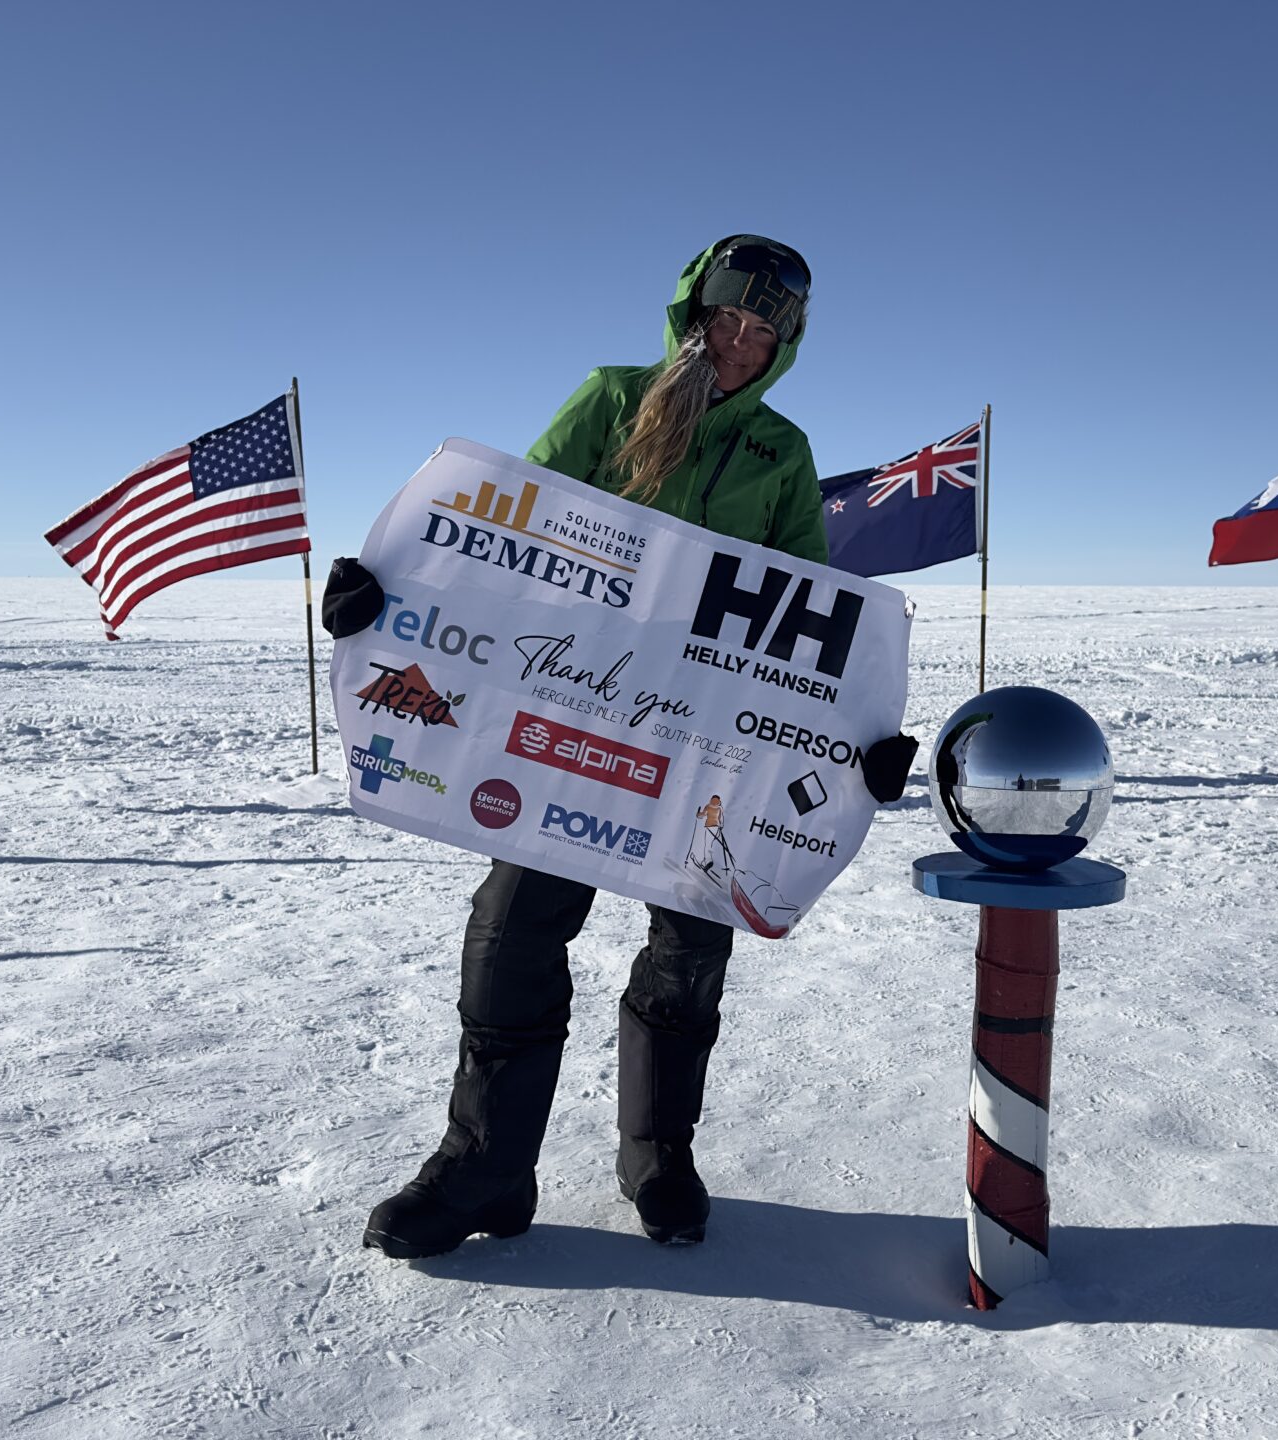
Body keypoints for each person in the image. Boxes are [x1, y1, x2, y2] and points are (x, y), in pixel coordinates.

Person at [324, 236, 916, 1258]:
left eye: (762, 330)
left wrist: (858, 740)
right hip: (571, 722)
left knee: (690, 946)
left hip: (706, 748)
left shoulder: (782, 452)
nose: (739, 342)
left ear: (785, 344)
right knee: (512, 931)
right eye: (727, 319)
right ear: (693, 313)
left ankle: (658, 1155)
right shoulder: (613, 398)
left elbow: (817, 619)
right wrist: (389, 597)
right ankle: (487, 1167)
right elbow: (503, 530)